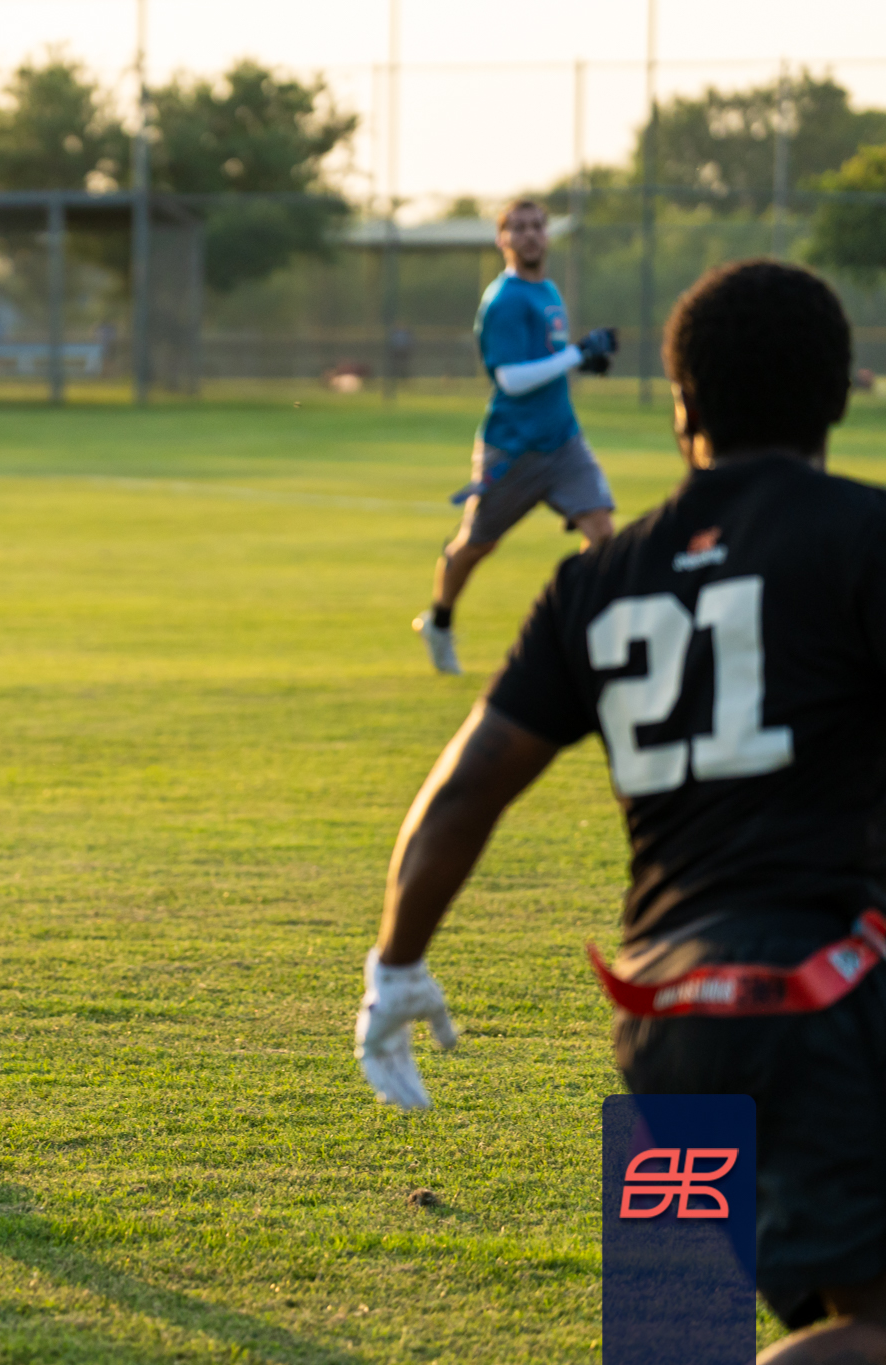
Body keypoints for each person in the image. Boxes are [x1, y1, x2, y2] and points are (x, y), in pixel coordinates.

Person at [357, 259, 886, 1362]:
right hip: (817, 1000)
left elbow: (464, 788)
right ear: (838, 394)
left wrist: (394, 966)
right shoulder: (862, 537)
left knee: (671, 1342)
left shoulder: (595, 581)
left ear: (681, 406)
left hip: (658, 1019)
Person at [414, 198, 621, 674]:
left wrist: (584, 360)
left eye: (537, 227)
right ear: (502, 239)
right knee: (475, 546)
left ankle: (580, 636)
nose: (529, 235)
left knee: (602, 533)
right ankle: (439, 622)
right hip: (512, 450)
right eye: (519, 228)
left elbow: (547, 365)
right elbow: (509, 379)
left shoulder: (547, 290)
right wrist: (576, 355)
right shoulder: (504, 300)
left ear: (548, 235)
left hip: (563, 441)